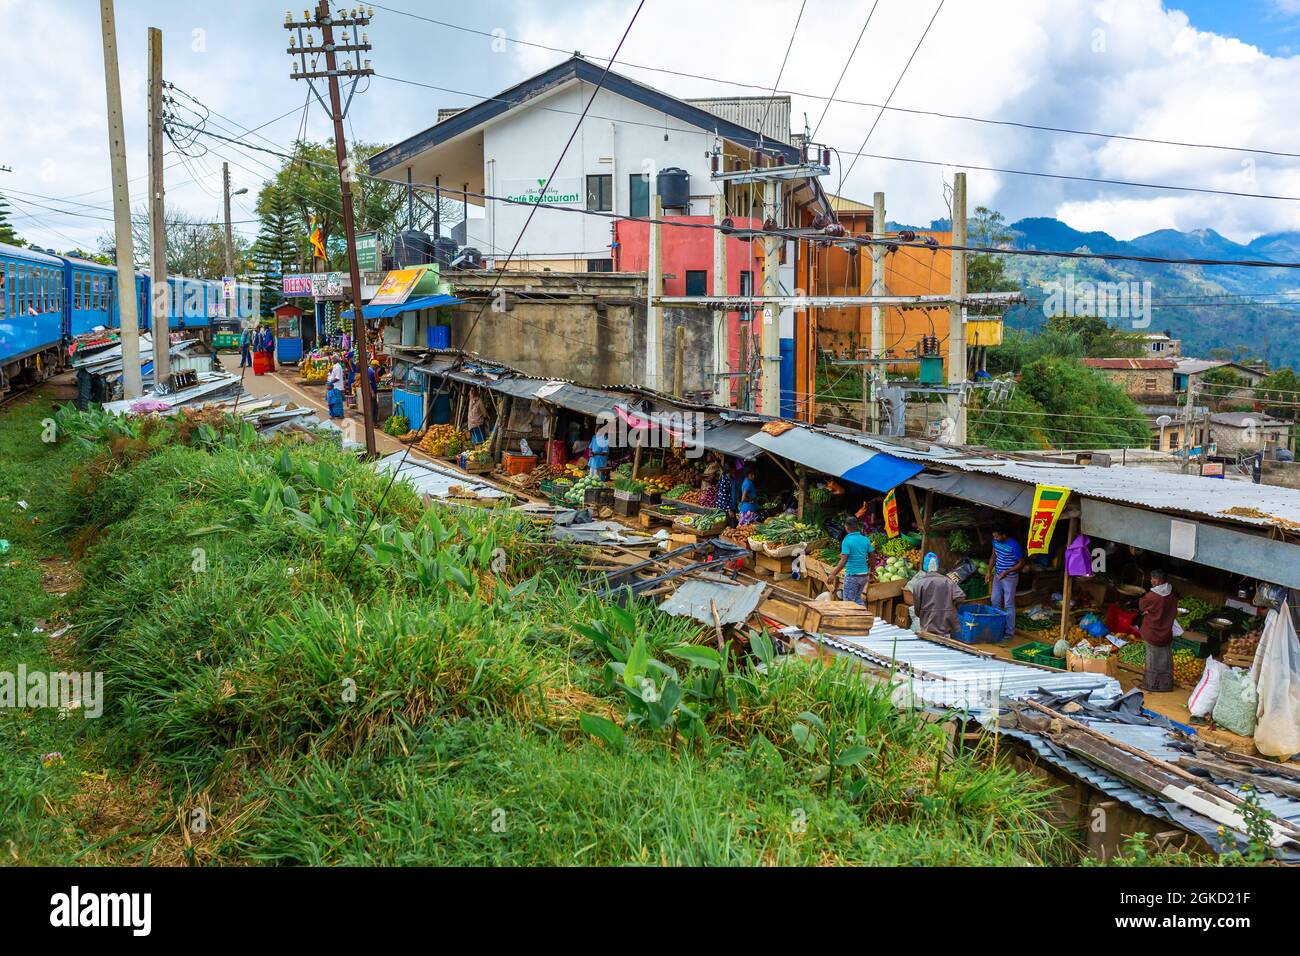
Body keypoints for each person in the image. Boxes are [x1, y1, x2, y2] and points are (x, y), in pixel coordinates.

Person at [903, 554, 966, 637]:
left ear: (925, 565)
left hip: (925, 624)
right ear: (937, 566)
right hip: (944, 624)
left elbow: (917, 607)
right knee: (943, 645)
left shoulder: (919, 583)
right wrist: (951, 607)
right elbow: (961, 597)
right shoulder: (947, 581)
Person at [1137, 568, 1179, 692]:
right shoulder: (1171, 593)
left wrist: (1147, 610)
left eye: (1153, 578)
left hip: (1152, 632)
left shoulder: (1152, 596)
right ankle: (1166, 685)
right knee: (1165, 659)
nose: (1151, 581)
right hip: (1166, 632)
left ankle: (1151, 685)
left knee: (1152, 659)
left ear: (1159, 580)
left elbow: (1142, 606)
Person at [988, 527, 1026, 640]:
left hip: (1010, 578)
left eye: (997, 536)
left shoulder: (1014, 545)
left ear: (1004, 535)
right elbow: (993, 556)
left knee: (1008, 604)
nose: (995, 538)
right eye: (993, 536)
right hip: (998, 576)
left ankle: (1009, 633)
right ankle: (997, 628)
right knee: (995, 600)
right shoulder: (995, 541)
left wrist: (1007, 572)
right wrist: (988, 571)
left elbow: (1021, 563)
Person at [831, 516, 875, 606]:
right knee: (856, 599)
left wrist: (833, 574)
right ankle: (862, 614)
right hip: (864, 576)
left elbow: (843, 561)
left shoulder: (846, 541)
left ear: (846, 527)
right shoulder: (865, 539)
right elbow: (872, 557)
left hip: (853, 576)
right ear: (857, 526)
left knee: (848, 603)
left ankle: (863, 614)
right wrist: (871, 571)